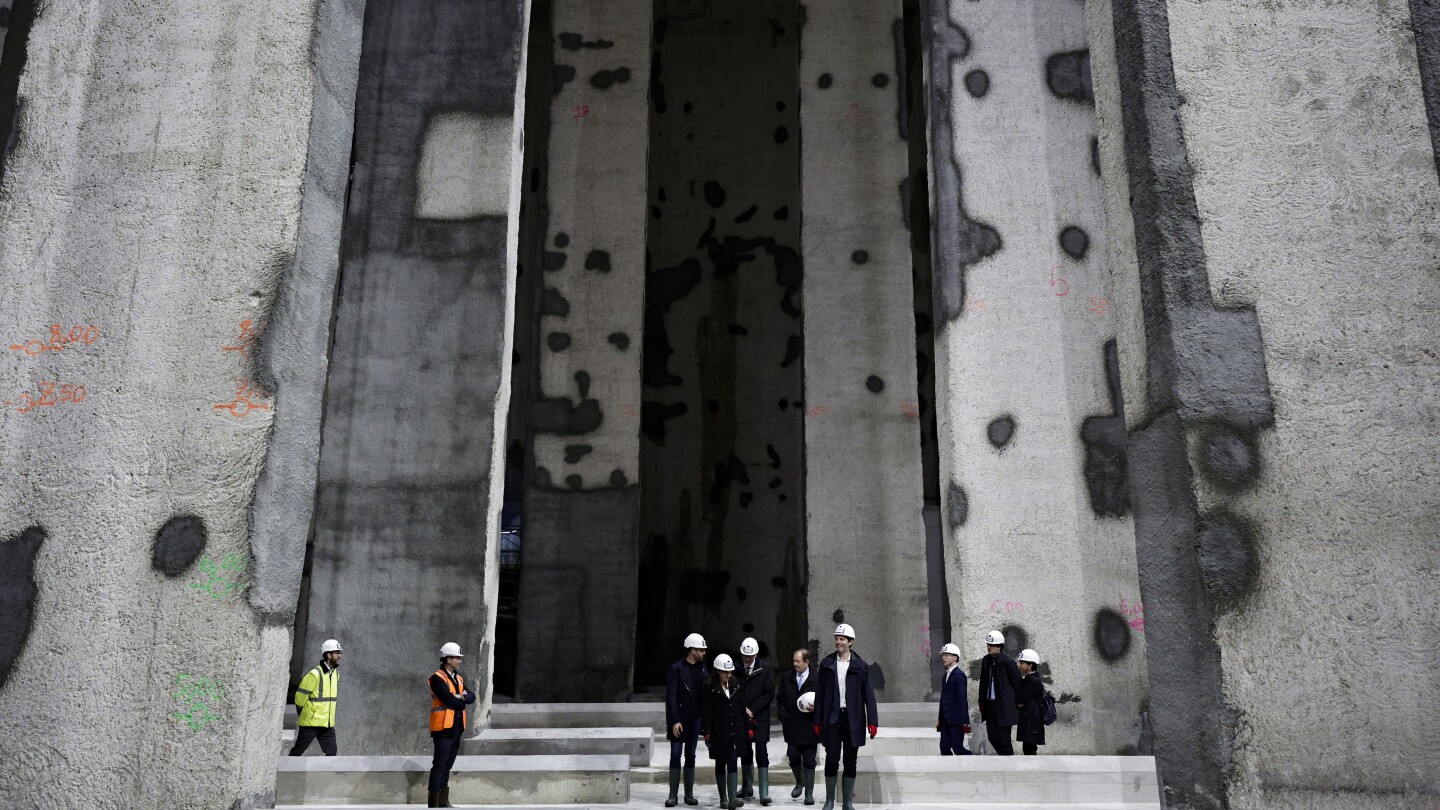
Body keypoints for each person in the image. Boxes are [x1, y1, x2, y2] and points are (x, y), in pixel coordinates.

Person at [813, 624, 877, 810]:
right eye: (837, 638)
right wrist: (817, 720)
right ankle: (830, 800)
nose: (838, 642)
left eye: (842, 639)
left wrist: (872, 721)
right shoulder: (826, 664)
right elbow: (820, 695)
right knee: (832, 758)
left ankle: (847, 802)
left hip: (853, 720)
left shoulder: (860, 666)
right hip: (833, 719)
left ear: (850, 642)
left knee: (850, 760)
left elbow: (868, 695)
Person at [427, 642, 477, 808]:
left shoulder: (459, 678)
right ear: (448, 659)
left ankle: (443, 801)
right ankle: (434, 803)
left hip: (456, 728)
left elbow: (471, 697)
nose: (460, 661)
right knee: (439, 765)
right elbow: (447, 699)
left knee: (447, 765)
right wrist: (461, 699)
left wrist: (461, 697)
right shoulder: (437, 678)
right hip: (443, 728)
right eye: (457, 657)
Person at [665, 633, 709, 807]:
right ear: (693, 650)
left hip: (695, 719)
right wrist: (674, 720)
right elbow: (671, 697)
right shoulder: (676, 669)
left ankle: (688, 794)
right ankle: (672, 795)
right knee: (675, 754)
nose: (704, 653)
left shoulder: (702, 669)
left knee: (690, 755)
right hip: (680, 720)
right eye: (701, 650)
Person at [702, 654, 750, 810]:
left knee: (732, 761)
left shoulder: (736, 684)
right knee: (720, 762)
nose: (727, 675)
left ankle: (732, 799)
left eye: (729, 672)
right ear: (717, 671)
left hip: (735, 730)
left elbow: (741, 707)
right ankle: (723, 798)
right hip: (718, 731)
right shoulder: (709, 687)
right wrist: (707, 732)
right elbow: (707, 711)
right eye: (724, 672)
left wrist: (748, 726)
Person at [776, 648, 818, 805]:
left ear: (807, 662)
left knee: (809, 760)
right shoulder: (787, 677)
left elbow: (824, 698)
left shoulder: (817, 678)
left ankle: (809, 794)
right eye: (793, 661)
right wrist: (784, 717)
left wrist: (817, 709)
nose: (795, 664)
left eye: (798, 661)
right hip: (792, 726)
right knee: (793, 756)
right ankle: (800, 781)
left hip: (809, 726)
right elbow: (780, 699)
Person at [736, 637, 775, 805]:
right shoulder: (737, 668)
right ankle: (747, 786)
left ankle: (764, 791)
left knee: (761, 750)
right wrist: (742, 709)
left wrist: (753, 709)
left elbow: (769, 692)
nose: (747, 659)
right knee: (744, 751)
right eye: (745, 655)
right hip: (742, 715)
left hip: (759, 717)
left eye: (750, 656)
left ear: (756, 654)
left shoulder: (765, 668)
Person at [290, 638, 343, 756]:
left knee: (332, 753)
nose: (340, 655)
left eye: (340, 653)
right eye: (337, 653)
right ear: (328, 655)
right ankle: (285, 773)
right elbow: (300, 697)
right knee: (297, 753)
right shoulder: (315, 674)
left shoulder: (336, 674)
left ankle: (327, 775)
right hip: (311, 723)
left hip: (327, 723)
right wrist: (302, 712)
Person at [977, 630, 1021, 756]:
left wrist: (1018, 704)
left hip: (1004, 707)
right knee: (992, 737)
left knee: (1004, 739)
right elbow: (983, 683)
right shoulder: (986, 661)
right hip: (990, 706)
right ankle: (1004, 759)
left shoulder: (1008, 663)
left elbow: (1018, 684)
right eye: (988, 645)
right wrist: (981, 703)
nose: (988, 647)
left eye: (991, 645)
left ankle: (1009, 763)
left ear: (999, 646)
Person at [935, 642, 970, 755]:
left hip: (956, 720)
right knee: (944, 748)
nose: (943, 657)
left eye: (946, 655)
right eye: (943, 655)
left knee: (958, 749)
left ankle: (973, 759)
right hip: (946, 720)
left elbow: (962, 699)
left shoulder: (959, 676)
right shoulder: (946, 675)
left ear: (954, 658)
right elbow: (943, 699)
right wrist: (940, 720)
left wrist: (965, 722)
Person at [1015, 648, 1046, 756]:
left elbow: (1020, 699)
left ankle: (1034, 771)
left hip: (1031, 720)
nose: (1019, 665)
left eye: (1022, 663)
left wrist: (1019, 703)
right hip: (1030, 719)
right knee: (1028, 747)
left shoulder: (1032, 681)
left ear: (1030, 665)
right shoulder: (1031, 679)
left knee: (1029, 749)